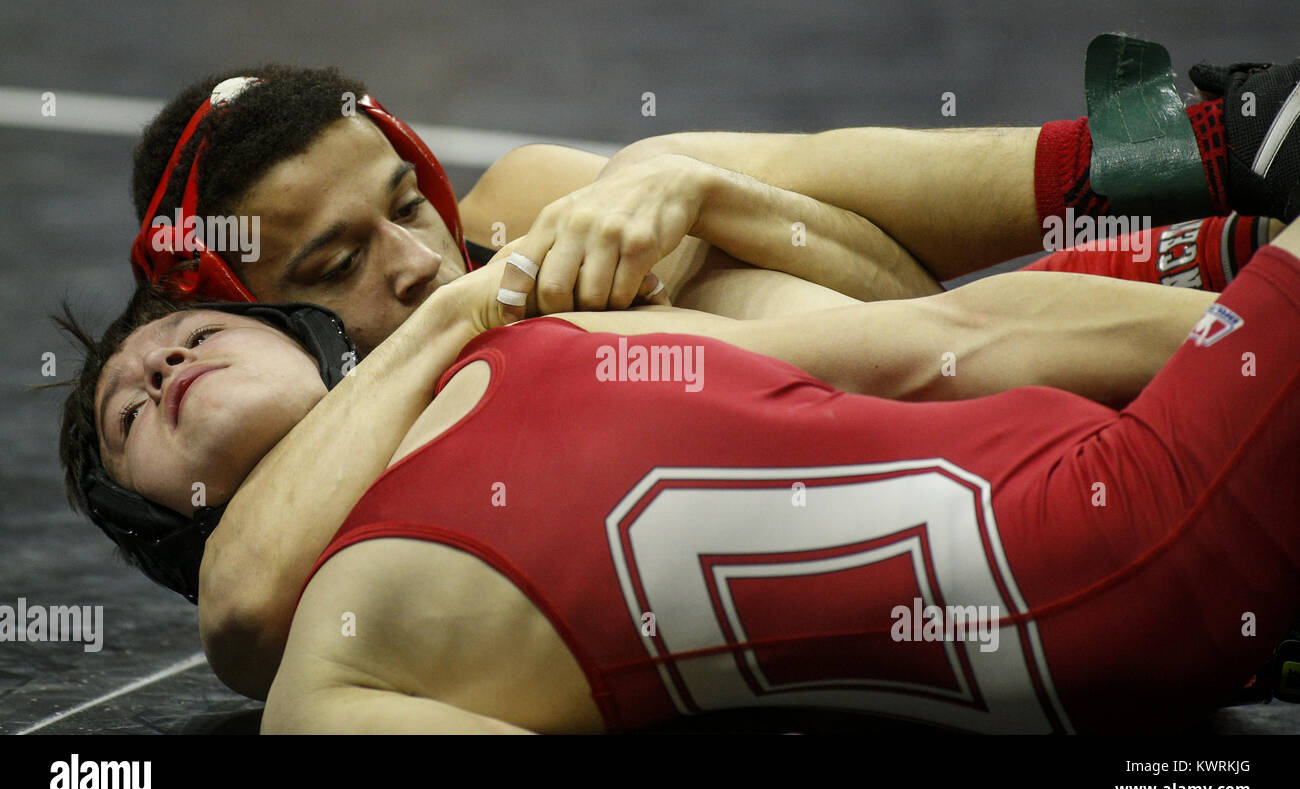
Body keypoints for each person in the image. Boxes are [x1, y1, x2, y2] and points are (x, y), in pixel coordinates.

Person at [60, 209, 1300, 730]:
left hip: (1133, 461)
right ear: (173, 524)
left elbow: (938, 346)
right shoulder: (333, 665)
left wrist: (1231, 315)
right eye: (126, 417)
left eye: (187, 335)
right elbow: (239, 605)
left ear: (307, 334)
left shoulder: (535, 345)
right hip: (1111, 545)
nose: (155, 368)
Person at [128, 50, 1300, 354]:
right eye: (334, 267)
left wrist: (696, 197)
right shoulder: (273, 448)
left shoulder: (513, 216)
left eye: (407, 205)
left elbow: (904, 306)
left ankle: (1205, 172)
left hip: (1020, 398)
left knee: (666, 163)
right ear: (249, 317)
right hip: (1057, 483)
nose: (417, 261)